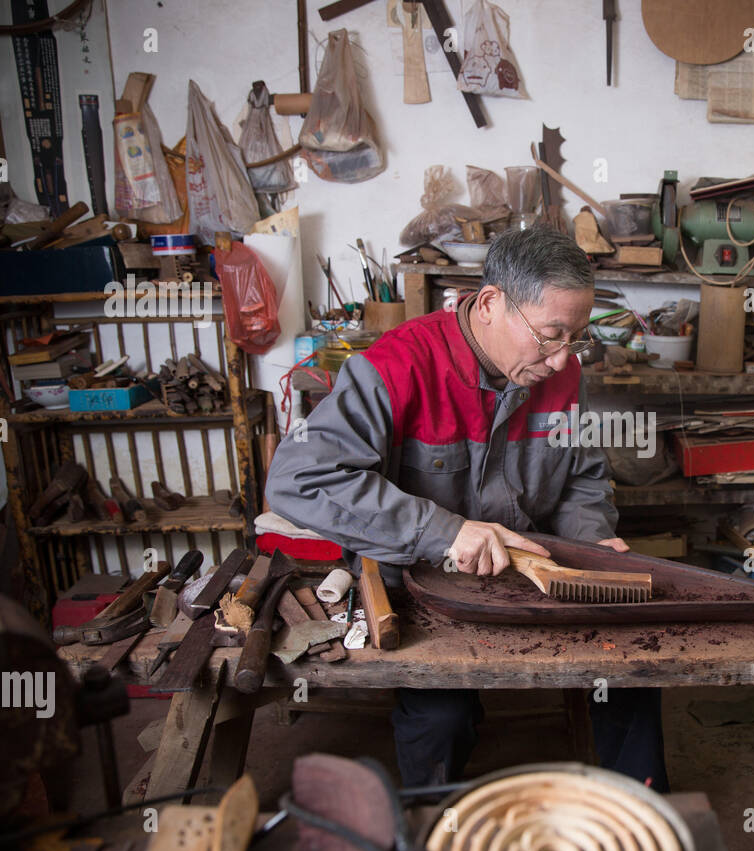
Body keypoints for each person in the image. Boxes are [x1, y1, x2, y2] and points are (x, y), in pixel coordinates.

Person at [266, 225, 668, 790]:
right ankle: (435, 828)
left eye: (575, 339)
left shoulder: (561, 371)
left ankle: (642, 826)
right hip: (422, 582)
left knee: (631, 672)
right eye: (551, 335)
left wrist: (589, 544)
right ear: (489, 304)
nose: (560, 361)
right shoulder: (397, 368)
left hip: (531, 573)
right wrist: (443, 532)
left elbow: (581, 474)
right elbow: (297, 478)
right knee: (442, 717)